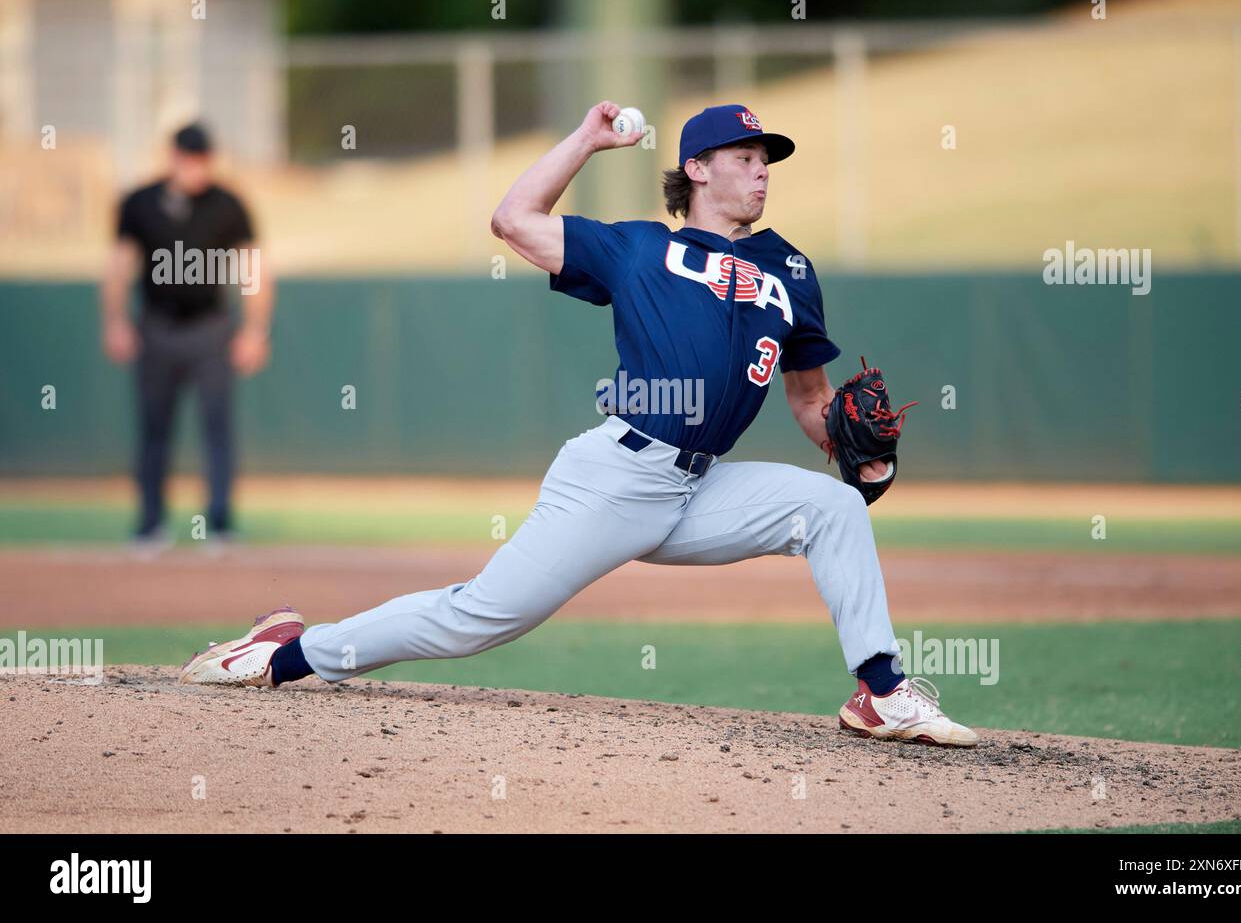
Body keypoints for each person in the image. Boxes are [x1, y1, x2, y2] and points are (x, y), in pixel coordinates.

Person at [179, 103, 977, 747]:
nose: (761, 168)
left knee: (829, 509)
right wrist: (587, 141)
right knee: (477, 618)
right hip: (620, 474)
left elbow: (811, 398)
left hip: (701, 488)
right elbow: (513, 218)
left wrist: (859, 459)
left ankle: (880, 693)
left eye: (766, 157)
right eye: (743, 155)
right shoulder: (638, 248)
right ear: (697, 169)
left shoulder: (792, 271)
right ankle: (284, 654)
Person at [100, 123, 274, 549]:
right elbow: (119, 265)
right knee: (154, 427)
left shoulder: (227, 203)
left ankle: (218, 522)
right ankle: (151, 523)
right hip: (157, 328)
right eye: (188, 158)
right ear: (173, 156)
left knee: (217, 426)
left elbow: (253, 268)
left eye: (202, 159)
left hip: (210, 330)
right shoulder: (140, 203)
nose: (195, 168)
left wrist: (254, 329)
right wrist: (115, 320)